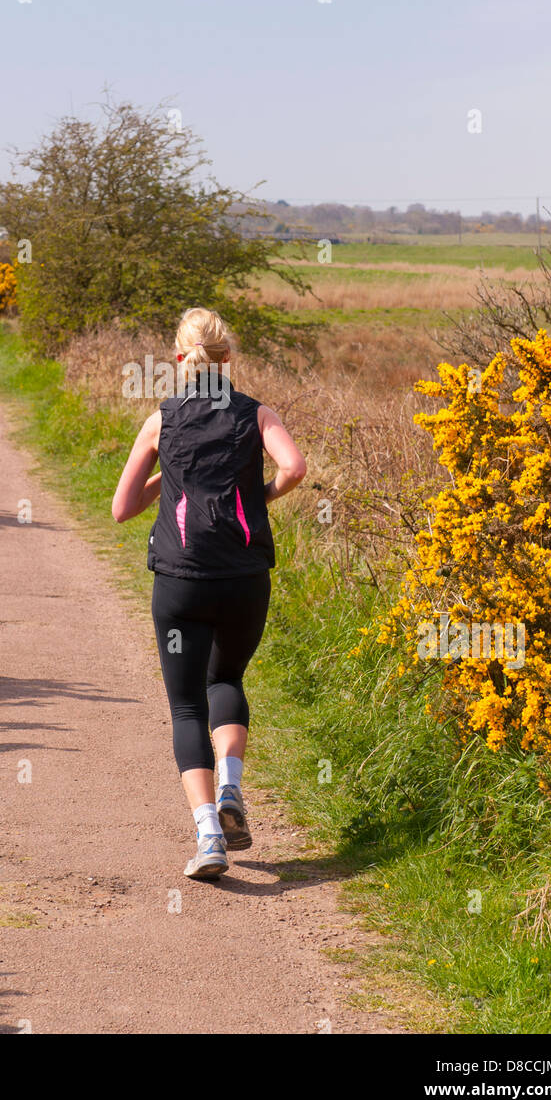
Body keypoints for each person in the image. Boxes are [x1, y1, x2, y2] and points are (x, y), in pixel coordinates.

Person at [111, 307, 307, 880]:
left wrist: (172, 477)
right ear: (229, 360)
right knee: (227, 680)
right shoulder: (256, 413)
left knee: (186, 705)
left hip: (180, 579)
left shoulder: (162, 420)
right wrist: (255, 497)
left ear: (180, 360)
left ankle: (208, 837)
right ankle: (231, 788)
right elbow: (294, 469)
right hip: (244, 576)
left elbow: (122, 509)